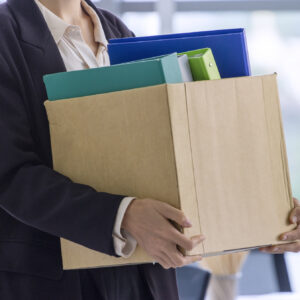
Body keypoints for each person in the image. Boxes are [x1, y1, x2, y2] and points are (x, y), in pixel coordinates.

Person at [0, 0, 204, 299]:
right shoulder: (6, 34)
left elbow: (157, 148)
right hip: (51, 277)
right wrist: (123, 216)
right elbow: (10, 173)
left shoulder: (118, 32)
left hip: (143, 271)